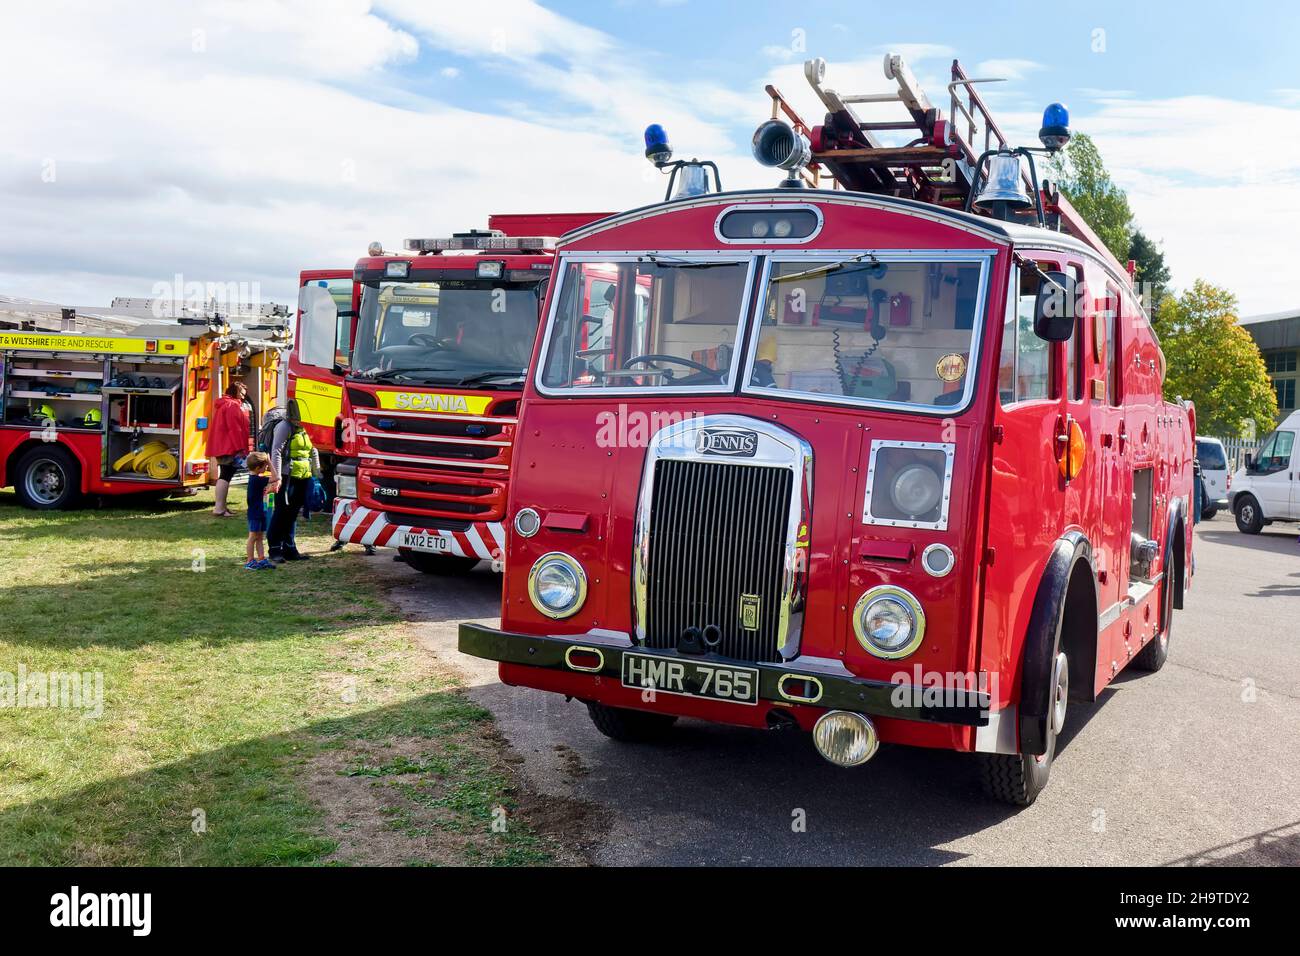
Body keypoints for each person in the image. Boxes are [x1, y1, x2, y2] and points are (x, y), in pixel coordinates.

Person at [266, 399, 320, 562]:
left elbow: (313, 449)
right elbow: (276, 451)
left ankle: (289, 548)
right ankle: (274, 549)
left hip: (303, 476)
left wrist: (317, 473)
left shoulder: (305, 427)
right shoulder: (284, 426)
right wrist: (277, 477)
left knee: (293, 513)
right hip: (287, 477)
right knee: (282, 512)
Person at [209, 381, 251, 517]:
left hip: (224, 446)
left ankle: (222, 507)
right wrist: (240, 448)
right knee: (226, 476)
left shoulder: (226, 404)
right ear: (235, 392)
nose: (243, 397)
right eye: (241, 394)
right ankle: (219, 508)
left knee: (226, 475)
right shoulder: (232, 406)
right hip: (229, 447)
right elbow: (235, 429)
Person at [243, 452, 275, 571]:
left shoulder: (255, 478)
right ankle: (250, 560)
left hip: (260, 511)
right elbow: (275, 477)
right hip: (255, 513)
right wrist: (270, 462)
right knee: (253, 536)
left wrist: (266, 461)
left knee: (260, 536)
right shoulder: (256, 480)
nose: (266, 468)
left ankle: (261, 559)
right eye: (264, 466)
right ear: (258, 468)